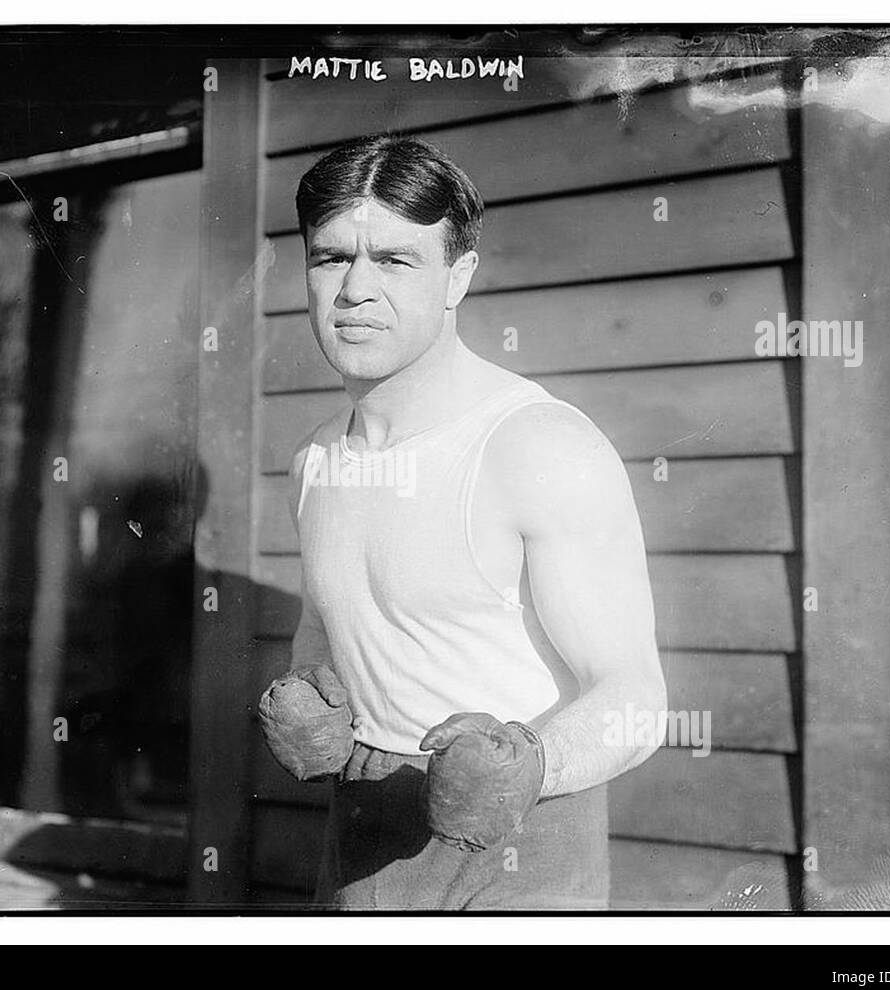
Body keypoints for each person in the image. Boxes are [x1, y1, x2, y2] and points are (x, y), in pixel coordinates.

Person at [257, 136, 667, 910]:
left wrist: (531, 764)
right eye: (330, 257)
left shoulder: (538, 445)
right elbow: (326, 627)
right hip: (360, 847)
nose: (354, 290)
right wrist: (315, 691)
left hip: (521, 857)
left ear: (459, 276)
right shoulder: (315, 461)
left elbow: (638, 697)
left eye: (395, 260)